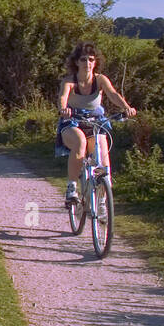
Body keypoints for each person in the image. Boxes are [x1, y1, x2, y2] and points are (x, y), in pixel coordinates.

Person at [57, 42, 136, 206]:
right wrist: (64, 109)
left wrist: (126, 108)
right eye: (83, 59)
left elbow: (113, 94)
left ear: (95, 62)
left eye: (91, 60)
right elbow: (63, 97)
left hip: (96, 121)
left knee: (101, 153)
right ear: (76, 62)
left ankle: (102, 198)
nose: (87, 63)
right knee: (80, 143)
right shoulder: (70, 81)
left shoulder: (100, 80)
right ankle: (72, 188)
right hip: (73, 121)